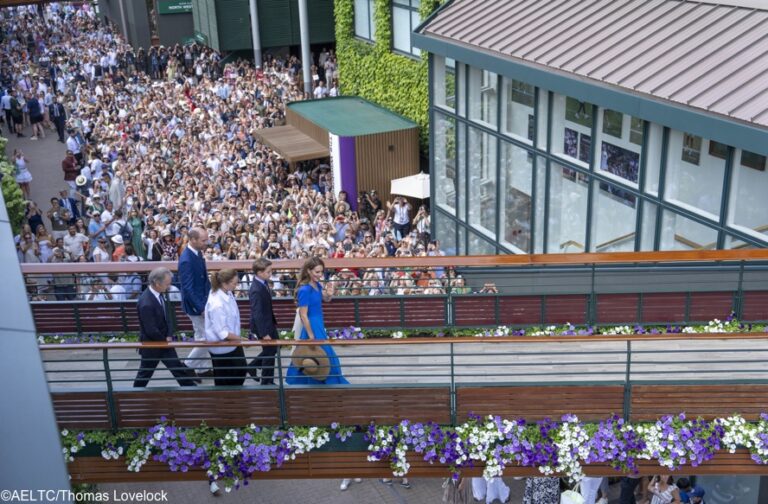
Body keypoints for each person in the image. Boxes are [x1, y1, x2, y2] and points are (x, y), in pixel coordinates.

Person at [286, 256, 349, 385]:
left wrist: (329, 293)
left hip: (318, 323)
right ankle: (329, 382)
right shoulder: (304, 290)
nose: (320, 275)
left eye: (321, 272)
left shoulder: (317, 285)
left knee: (314, 355)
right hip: (312, 326)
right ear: (309, 271)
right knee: (324, 355)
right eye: (317, 272)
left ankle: (311, 382)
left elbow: (325, 299)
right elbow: (303, 315)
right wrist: (311, 336)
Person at [133, 268, 198, 387]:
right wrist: (166, 340)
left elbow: (167, 316)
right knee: (145, 373)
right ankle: (134, 394)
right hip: (153, 345)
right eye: (167, 284)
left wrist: (169, 335)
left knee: (177, 368)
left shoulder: (158, 294)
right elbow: (150, 329)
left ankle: (192, 388)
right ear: (157, 283)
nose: (169, 286)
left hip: (163, 342)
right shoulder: (146, 303)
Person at [204, 268, 246, 386]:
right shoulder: (217, 304)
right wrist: (241, 339)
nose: (236, 285)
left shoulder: (226, 292)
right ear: (224, 283)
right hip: (222, 347)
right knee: (226, 379)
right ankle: (226, 401)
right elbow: (222, 333)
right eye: (234, 283)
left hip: (233, 343)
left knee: (240, 371)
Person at [180, 227, 213, 376]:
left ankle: (202, 369)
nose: (207, 243)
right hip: (195, 306)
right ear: (192, 240)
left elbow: (204, 279)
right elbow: (188, 288)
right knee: (206, 338)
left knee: (201, 336)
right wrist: (201, 308)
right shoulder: (186, 259)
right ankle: (186, 367)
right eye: (203, 240)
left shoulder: (197, 253)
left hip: (202, 302)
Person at [247, 258, 278, 385]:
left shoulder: (263, 283)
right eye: (268, 271)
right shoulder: (256, 289)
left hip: (269, 323)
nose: (270, 274)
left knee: (272, 349)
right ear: (259, 273)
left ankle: (253, 366)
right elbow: (257, 313)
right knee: (269, 352)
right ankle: (266, 381)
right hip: (263, 326)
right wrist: (264, 333)